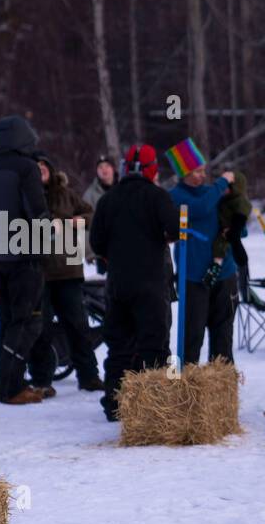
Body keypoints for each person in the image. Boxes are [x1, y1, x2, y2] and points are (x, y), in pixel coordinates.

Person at [89, 144, 178, 421]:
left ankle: (115, 403)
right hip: (151, 283)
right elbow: (176, 230)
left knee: (119, 346)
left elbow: (95, 242)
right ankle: (152, 404)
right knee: (154, 345)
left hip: (118, 285)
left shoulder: (108, 199)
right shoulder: (158, 196)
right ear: (152, 170)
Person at [0, 114, 50, 403]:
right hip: (26, 254)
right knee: (27, 321)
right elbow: (37, 211)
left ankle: (7, 384)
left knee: (6, 321)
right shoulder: (26, 167)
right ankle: (12, 387)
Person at [29, 154, 101, 394]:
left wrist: (78, 221)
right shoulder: (28, 195)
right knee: (42, 330)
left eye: (44, 165)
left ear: (51, 168)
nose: (41, 170)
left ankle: (89, 376)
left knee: (78, 327)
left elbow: (92, 215)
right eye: (35, 166)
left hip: (69, 271)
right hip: (41, 273)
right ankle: (41, 380)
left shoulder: (67, 194)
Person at [167, 139, 237, 365]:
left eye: (203, 170)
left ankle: (222, 385)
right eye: (196, 171)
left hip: (223, 272)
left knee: (223, 334)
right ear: (183, 173)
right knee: (192, 334)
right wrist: (221, 183)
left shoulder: (211, 193)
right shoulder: (176, 196)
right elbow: (200, 208)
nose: (202, 175)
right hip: (194, 276)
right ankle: (189, 384)